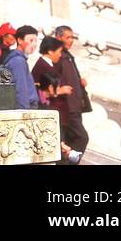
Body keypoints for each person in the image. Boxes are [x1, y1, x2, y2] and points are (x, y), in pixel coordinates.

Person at [33, 36, 82, 164]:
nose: (60, 55)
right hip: (51, 111)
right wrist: (59, 91)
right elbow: (39, 91)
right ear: (50, 51)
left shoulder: (50, 65)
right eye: (59, 52)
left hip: (58, 113)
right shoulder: (41, 66)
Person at [53, 24, 91, 159]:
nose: (71, 40)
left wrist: (80, 83)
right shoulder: (57, 57)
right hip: (67, 107)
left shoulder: (67, 55)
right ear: (58, 38)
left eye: (72, 37)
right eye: (67, 37)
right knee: (82, 138)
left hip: (75, 106)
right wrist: (58, 91)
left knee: (70, 140)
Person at [4, 25, 39, 110]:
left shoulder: (19, 59)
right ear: (19, 40)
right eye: (31, 40)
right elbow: (20, 90)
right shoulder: (18, 61)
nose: (34, 44)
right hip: (26, 109)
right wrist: (24, 113)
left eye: (35, 41)